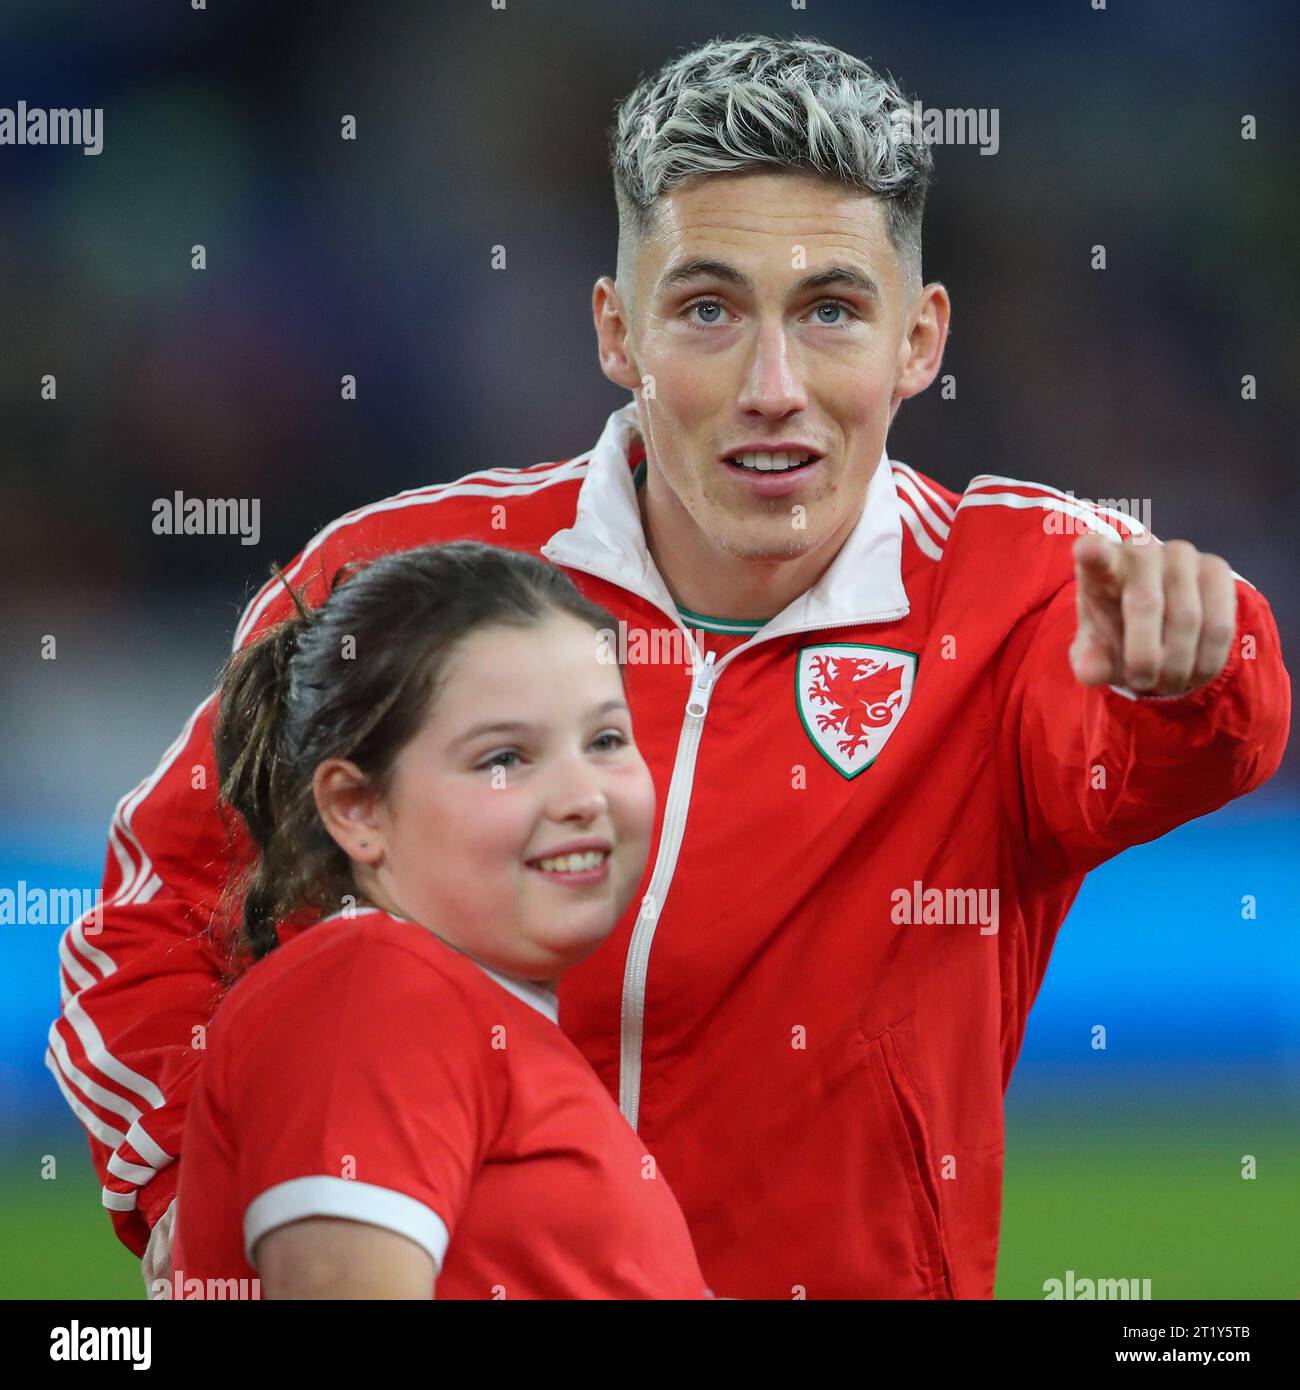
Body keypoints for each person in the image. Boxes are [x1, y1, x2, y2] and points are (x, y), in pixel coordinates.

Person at [49, 35, 1289, 1300]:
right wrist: (188, 1191)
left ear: (918, 341)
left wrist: (1195, 657)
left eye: (831, 313)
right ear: (616, 330)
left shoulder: (1018, 592)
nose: (772, 387)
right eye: (707, 309)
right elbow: (150, 917)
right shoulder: (393, 581)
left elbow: (1189, 734)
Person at [168, 542, 712, 1299]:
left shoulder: (463, 1007)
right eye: (504, 758)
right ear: (357, 809)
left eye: (605, 740)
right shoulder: (373, 989)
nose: (582, 794)